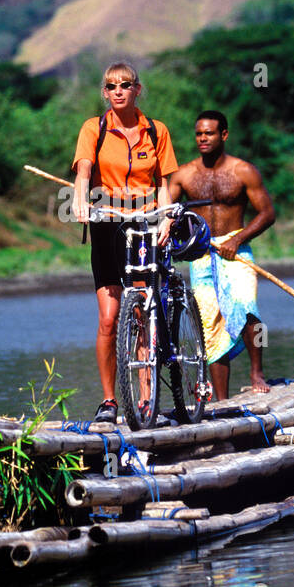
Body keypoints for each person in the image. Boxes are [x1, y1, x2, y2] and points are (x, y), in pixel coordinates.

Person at [72, 62, 178, 422]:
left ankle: (147, 402)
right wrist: (79, 199)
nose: (118, 91)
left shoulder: (156, 131)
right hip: (106, 226)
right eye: (111, 86)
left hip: (144, 226)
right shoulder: (94, 128)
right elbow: (84, 168)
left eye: (126, 85)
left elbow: (165, 182)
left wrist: (165, 216)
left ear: (137, 89)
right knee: (109, 318)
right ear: (105, 92)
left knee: (142, 311)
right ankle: (109, 402)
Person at [166, 110, 275, 399]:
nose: (203, 139)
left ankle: (256, 373)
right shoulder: (184, 174)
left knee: (247, 307)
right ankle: (221, 399)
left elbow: (267, 213)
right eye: (199, 134)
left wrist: (238, 239)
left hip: (236, 249)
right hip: (202, 251)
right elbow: (164, 211)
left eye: (209, 133)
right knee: (209, 321)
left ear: (223, 135)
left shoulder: (243, 171)